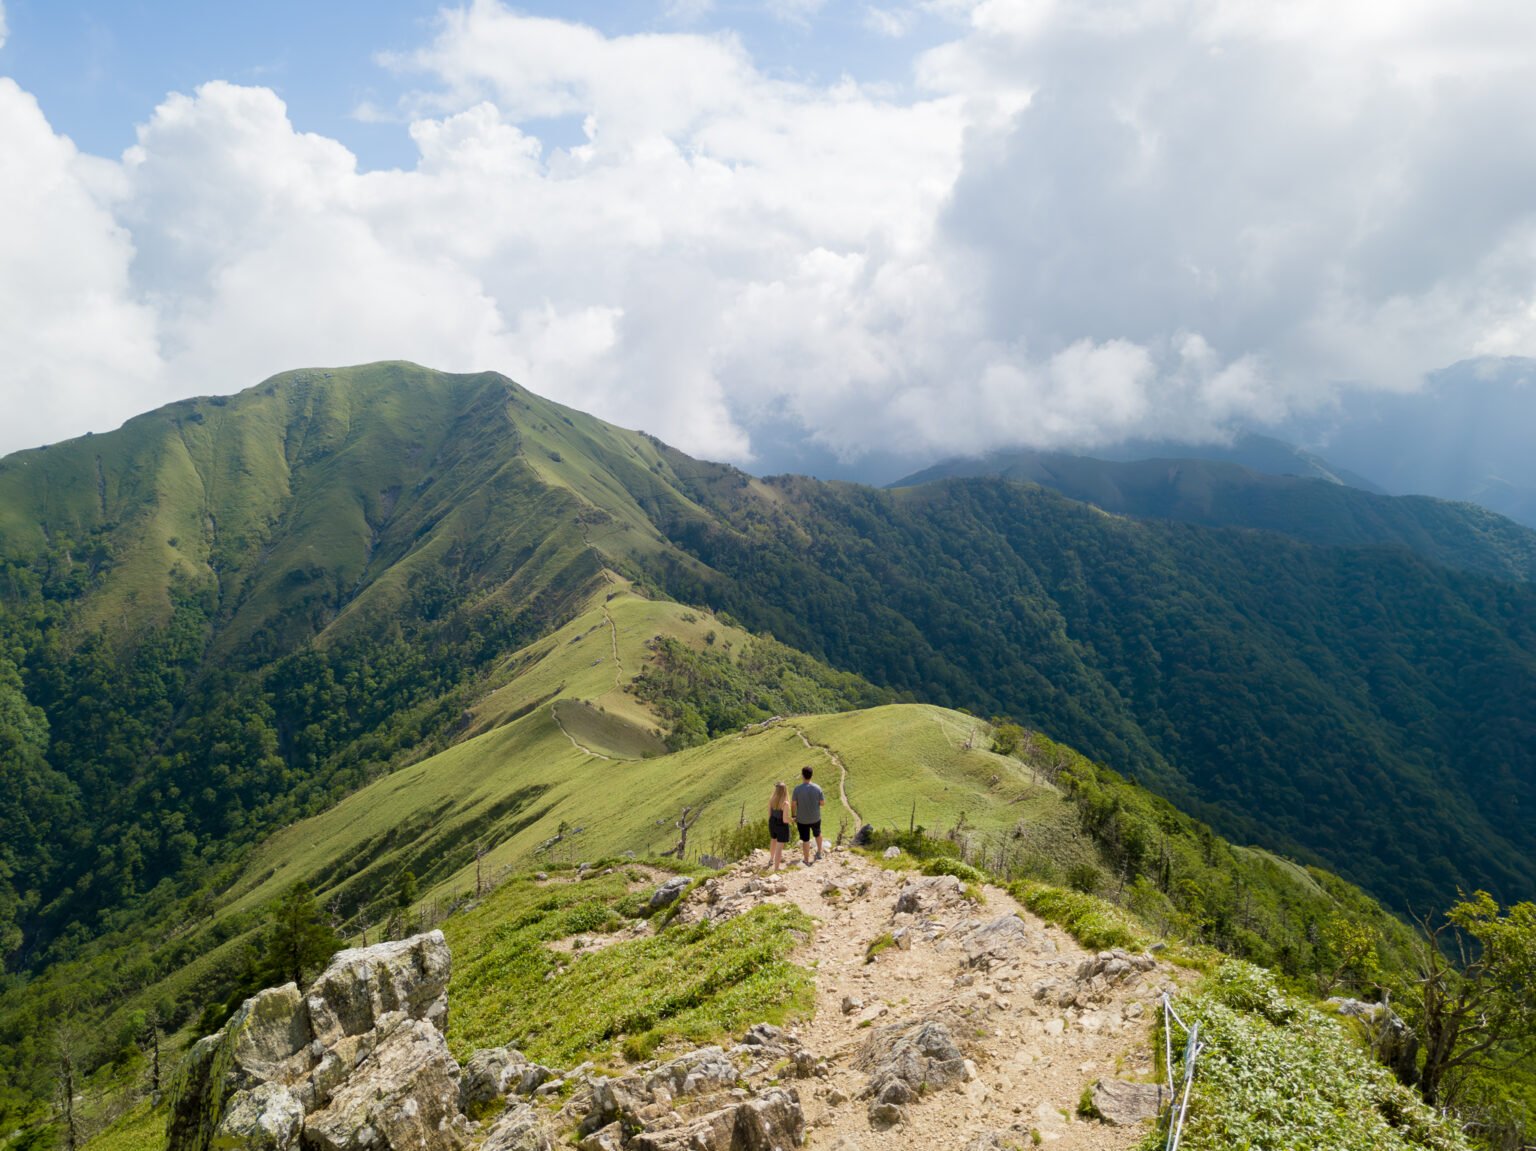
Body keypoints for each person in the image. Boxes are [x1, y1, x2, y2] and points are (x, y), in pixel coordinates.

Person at [791, 765, 826, 865]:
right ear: (811, 775)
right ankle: (819, 853)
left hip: (802, 820)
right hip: (815, 817)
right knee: (818, 834)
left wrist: (793, 816)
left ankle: (806, 860)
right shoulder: (817, 788)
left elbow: (793, 804)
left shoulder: (797, 789)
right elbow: (822, 803)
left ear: (802, 775)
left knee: (805, 839)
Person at [767, 781, 791, 871]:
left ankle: (771, 859)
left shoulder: (771, 799)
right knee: (779, 847)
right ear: (785, 790)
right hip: (781, 825)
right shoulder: (785, 803)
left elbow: (769, 814)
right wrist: (792, 820)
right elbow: (785, 820)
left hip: (772, 822)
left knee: (773, 840)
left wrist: (772, 823)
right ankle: (776, 868)